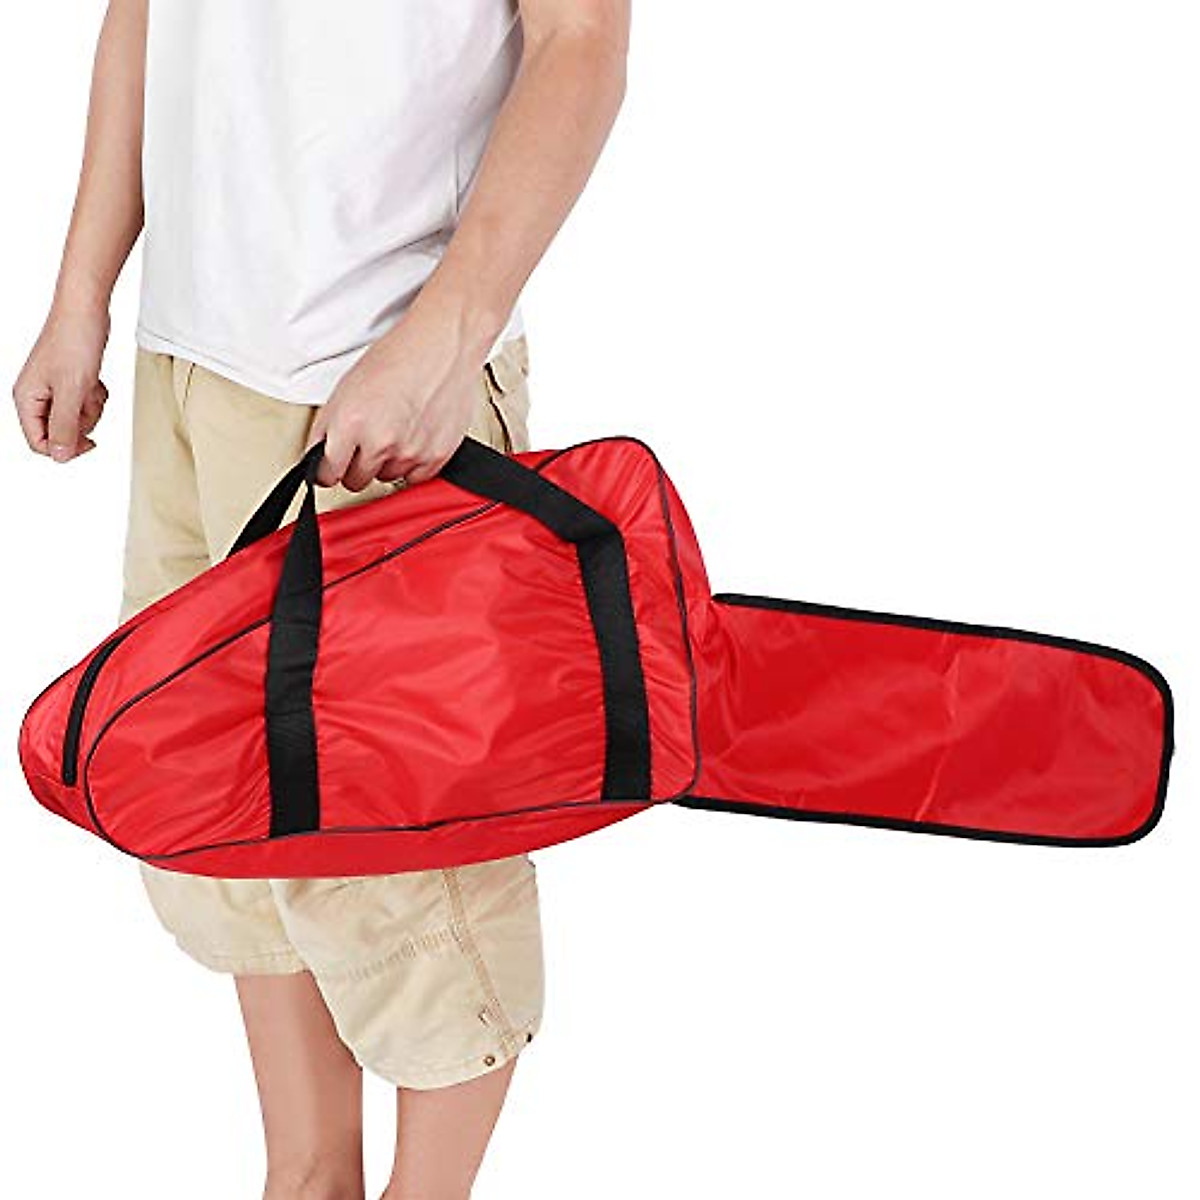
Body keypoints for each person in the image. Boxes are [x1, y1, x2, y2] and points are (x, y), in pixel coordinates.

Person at [12, 1, 630, 1196]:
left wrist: (447, 339)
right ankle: (306, 1178)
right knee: (228, 813)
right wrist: (83, 293)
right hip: (191, 362)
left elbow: (583, 39)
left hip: (371, 381)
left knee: (412, 865)